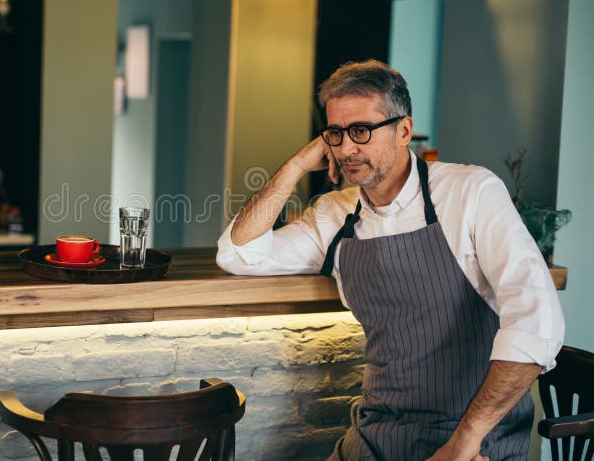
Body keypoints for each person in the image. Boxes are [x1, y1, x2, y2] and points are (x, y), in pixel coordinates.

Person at [216, 60, 564, 460]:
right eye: (335, 133)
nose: (346, 149)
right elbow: (237, 254)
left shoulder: (470, 191)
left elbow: (538, 323)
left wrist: (466, 441)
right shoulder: (335, 214)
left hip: (471, 440)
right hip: (374, 436)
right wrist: (295, 165)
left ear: (404, 131)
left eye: (361, 131)